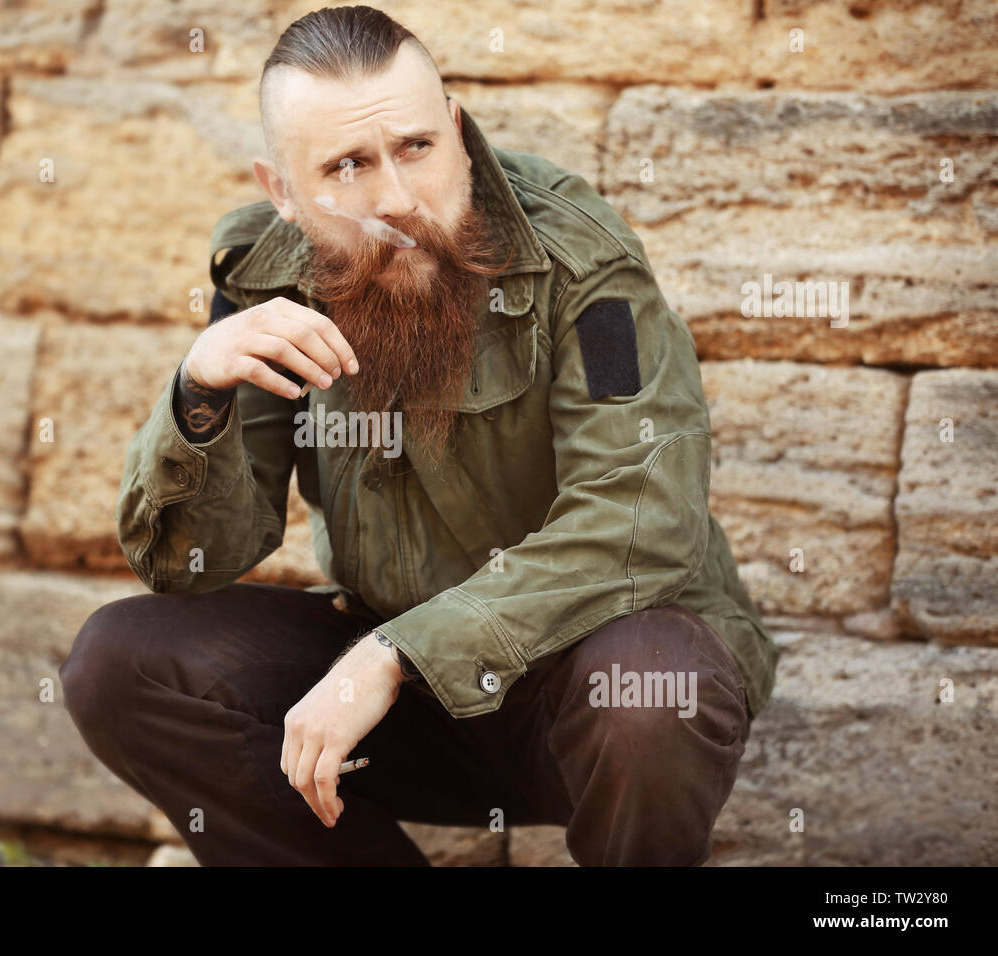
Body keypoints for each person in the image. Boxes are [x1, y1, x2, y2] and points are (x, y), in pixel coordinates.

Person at [60, 4, 780, 866]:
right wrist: (198, 395)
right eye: (348, 166)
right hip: (404, 708)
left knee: (655, 683)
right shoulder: (263, 280)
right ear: (281, 191)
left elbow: (643, 519)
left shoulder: (585, 267)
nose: (397, 200)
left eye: (416, 148)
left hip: (579, 698)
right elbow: (193, 562)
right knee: (118, 661)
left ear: (458, 131)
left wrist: (396, 656)